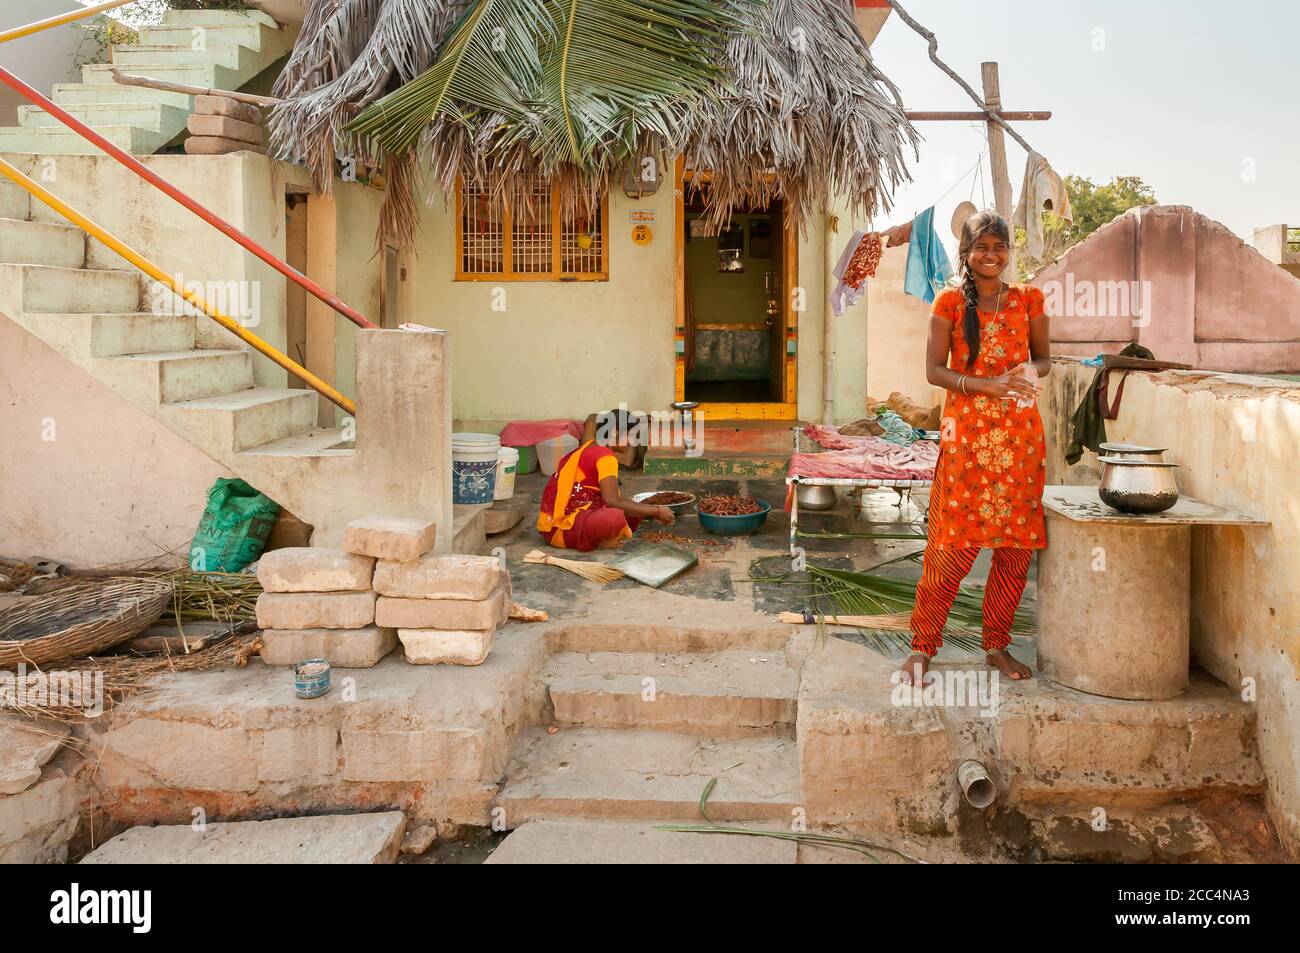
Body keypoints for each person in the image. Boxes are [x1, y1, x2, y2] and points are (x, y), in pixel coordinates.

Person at [898, 210, 1050, 686]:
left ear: (1009, 252)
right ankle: (922, 648)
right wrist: (988, 386)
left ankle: (997, 646)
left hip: (1020, 441)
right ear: (965, 252)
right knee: (950, 547)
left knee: (1013, 549)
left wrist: (1028, 374)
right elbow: (933, 371)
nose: (991, 255)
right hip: (965, 440)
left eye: (999, 246)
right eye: (981, 247)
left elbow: (1044, 358)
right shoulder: (946, 302)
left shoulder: (1029, 299)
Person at [538, 409, 674, 551]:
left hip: (553, 528)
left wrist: (647, 510)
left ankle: (604, 534)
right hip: (565, 529)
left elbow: (609, 498)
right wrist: (656, 512)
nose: (633, 441)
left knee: (634, 511)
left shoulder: (589, 448)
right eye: (630, 435)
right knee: (614, 517)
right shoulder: (605, 456)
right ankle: (601, 539)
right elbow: (612, 501)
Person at [581, 410, 648, 470]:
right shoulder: (594, 450)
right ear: (614, 432)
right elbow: (592, 417)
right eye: (630, 436)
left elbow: (628, 461)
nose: (633, 442)